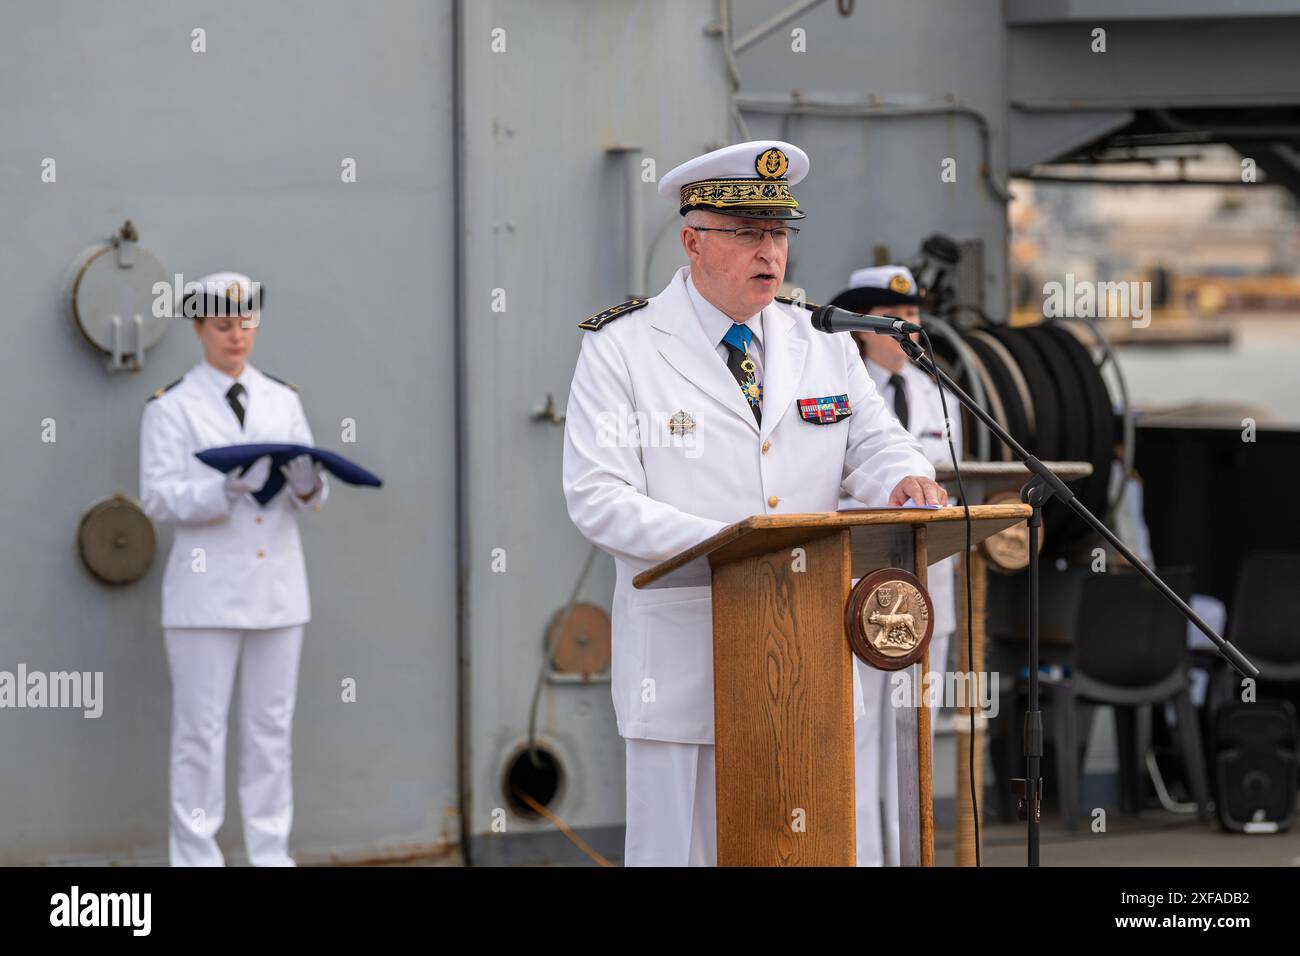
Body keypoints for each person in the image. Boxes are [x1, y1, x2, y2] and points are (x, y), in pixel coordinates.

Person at [561, 141, 947, 866]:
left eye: (778, 234)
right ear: (693, 241)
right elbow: (597, 498)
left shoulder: (822, 340)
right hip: (685, 659)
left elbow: (876, 443)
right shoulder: (624, 348)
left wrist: (905, 477)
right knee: (685, 853)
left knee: (818, 845)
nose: (769, 252)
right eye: (746, 234)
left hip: (811, 654)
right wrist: (733, 543)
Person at [139, 272, 327, 866]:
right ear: (198, 328)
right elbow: (158, 496)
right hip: (205, 593)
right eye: (223, 324)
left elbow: (315, 497)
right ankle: (196, 860)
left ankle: (271, 856)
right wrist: (222, 490)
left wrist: (307, 485)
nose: (236, 335)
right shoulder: (171, 408)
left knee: (270, 734)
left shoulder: (283, 399)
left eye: (245, 321)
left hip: (277, 589)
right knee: (200, 735)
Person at [829, 264, 962, 866]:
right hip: (864, 587)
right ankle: (865, 854)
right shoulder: (839, 389)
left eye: (913, 316)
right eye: (896, 317)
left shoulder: (937, 391)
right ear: (861, 327)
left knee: (914, 734)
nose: (910, 326)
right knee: (858, 732)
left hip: (928, 585)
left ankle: (912, 855)